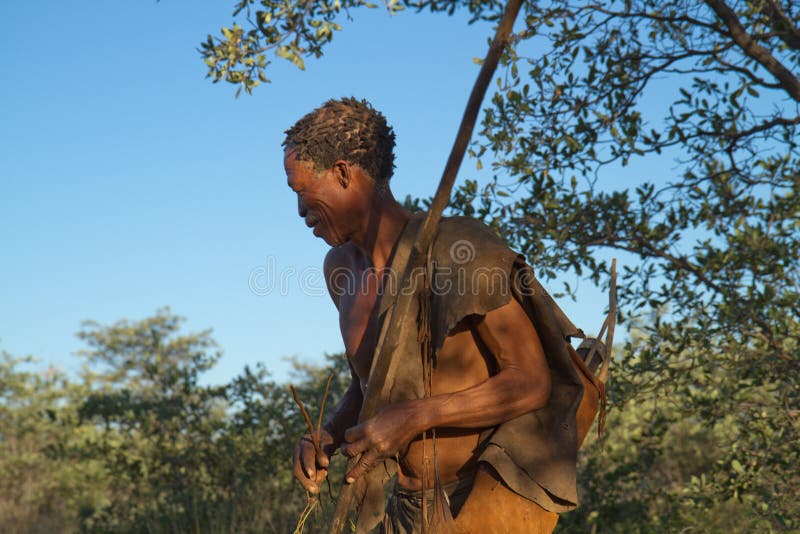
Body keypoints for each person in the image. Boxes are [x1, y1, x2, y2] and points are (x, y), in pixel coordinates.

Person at [285, 98, 588, 533]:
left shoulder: (457, 249)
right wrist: (328, 434)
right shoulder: (340, 270)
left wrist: (417, 416)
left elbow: (530, 381)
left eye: (302, 192)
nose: (299, 211)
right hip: (407, 509)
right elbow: (370, 384)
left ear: (343, 173)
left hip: (479, 503)